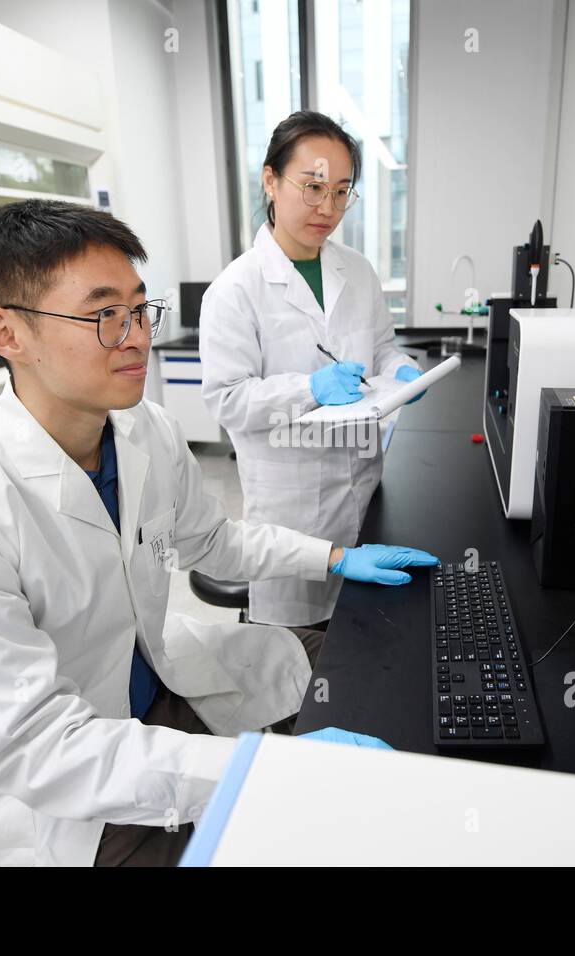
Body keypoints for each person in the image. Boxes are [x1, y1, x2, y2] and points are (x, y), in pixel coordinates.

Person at [0, 199, 437, 866]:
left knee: (362, 660)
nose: (137, 337)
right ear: (7, 334)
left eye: (139, 310)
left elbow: (216, 541)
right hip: (67, 778)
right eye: (102, 315)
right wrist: (254, 774)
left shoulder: (145, 429)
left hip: (160, 679)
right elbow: (38, 747)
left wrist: (336, 557)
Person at [201, 110, 427, 629]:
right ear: (270, 180)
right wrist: (311, 389)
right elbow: (227, 399)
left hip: (365, 490)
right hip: (290, 508)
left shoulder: (359, 271)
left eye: (342, 191)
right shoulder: (236, 289)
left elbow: (384, 349)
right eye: (313, 187)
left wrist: (404, 372)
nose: (328, 207)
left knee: (362, 637)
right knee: (297, 659)